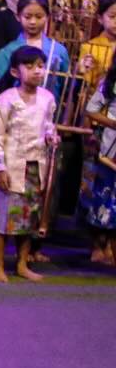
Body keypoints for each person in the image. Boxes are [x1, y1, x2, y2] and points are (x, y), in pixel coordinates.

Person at [0, 45, 58, 282]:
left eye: (40, 66)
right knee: (2, 217)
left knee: (28, 218)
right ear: (16, 72)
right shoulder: (7, 99)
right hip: (11, 165)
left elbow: (48, 124)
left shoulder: (47, 98)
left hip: (35, 165)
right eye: (30, 66)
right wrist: (0, 167)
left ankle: (21, 263)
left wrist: (51, 135)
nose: (37, 71)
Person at [0, 0, 71, 94]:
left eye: (38, 16)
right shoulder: (7, 51)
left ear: (47, 17)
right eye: (27, 17)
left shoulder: (59, 50)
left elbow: (67, 86)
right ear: (18, 17)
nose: (33, 22)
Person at [81, 51, 116, 263]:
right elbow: (90, 110)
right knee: (102, 199)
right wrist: (112, 123)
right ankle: (98, 245)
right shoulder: (109, 82)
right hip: (109, 149)